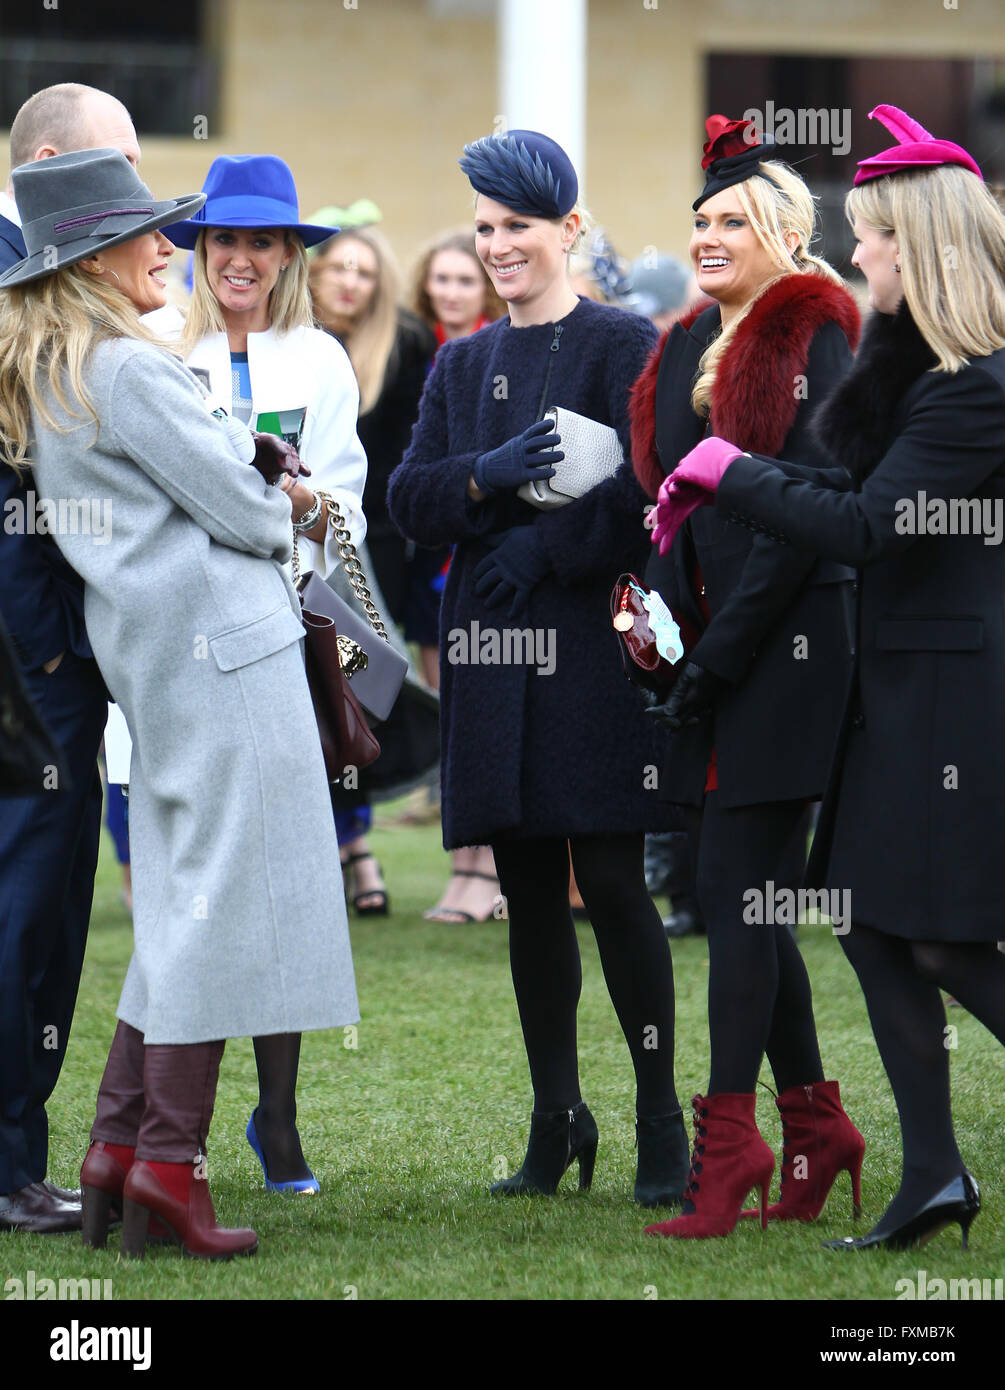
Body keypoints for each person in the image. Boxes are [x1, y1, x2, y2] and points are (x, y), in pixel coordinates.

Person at [655, 105, 1005, 1251]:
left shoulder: (976, 387)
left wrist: (723, 467)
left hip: (953, 701)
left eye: (875, 239)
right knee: (862, 923)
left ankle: (931, 1169)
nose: (856, 256)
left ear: (924, 245)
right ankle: (935, 1171)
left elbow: (863, 526)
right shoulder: (916, 367)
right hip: (894, 691)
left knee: (946, 941)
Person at [0, 147, 360, 1257]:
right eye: (150, 232)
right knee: (219, 913)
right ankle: (167, 1160)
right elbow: (252, 518)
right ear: (94, 254)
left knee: (185, 905)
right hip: (226, 654)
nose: (174, 248)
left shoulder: (53, 373)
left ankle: (119, 1146)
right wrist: (281, 488)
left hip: (155, 660)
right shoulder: (127, 368)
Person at [388, 130, 689, 1206]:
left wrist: (542, 544)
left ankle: (664, 1121)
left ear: (568, 227)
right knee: (524, 890)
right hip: (490, 652)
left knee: (610, 883)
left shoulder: (622, 343)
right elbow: (408, 499)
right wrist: (484, 479)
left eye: (518, 225)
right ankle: (557, 1118)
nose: (500, 244)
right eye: (484, 226)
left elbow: (652, 492)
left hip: (587, 649)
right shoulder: (461, 361)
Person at [631, 115, 864, 1240]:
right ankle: (818, 1128)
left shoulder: (817, 334)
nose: (710, 235)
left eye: (733, 221)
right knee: (752, 903)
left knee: (736, 899)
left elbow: (804, 519)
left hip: (790, 658)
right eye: (701, 222)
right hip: (709, 659)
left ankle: (731, 1153)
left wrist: (717, 661)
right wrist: (654, 624)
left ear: (783, 233)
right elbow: (668, 514)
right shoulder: (681, 343)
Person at [165, 154, 367, 1193]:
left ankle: (277, 1115)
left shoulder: (319, 359)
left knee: (292, 878)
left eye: (262, 241)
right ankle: (172, 1126)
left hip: (288, 639)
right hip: (177, 644)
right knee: (194, 885)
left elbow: (350, 510)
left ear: (289, 252)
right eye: (224, 240)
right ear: (202, 248)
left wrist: (300, 506)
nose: (241, 258)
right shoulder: (159, 344)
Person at [0, 83, 142, 1236]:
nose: (139, 194)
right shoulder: (19, 276)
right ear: (52, 162)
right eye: (122, 163)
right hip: (31, 663)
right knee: (28, 916)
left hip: (45, 653)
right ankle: (8, 1165)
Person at [308, 217, 435, 914]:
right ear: (319, 273)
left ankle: (354, 846)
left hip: (373, 547)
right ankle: (343, 851)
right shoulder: (291, 347)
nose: (351, 281)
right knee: (315, 694)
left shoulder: (404, 346)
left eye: (365, 271)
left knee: (358, 692)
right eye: (340, 267)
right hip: (305, 540)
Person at [410, 228, 505, 923]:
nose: (449, 291)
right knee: (449, 719)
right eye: (439, 278)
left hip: (481, 558)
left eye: (463, 279)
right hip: (430, 561)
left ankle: (494, 869)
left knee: (487, 717)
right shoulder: (421, 351)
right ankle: (460, 866)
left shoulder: (493, 353)